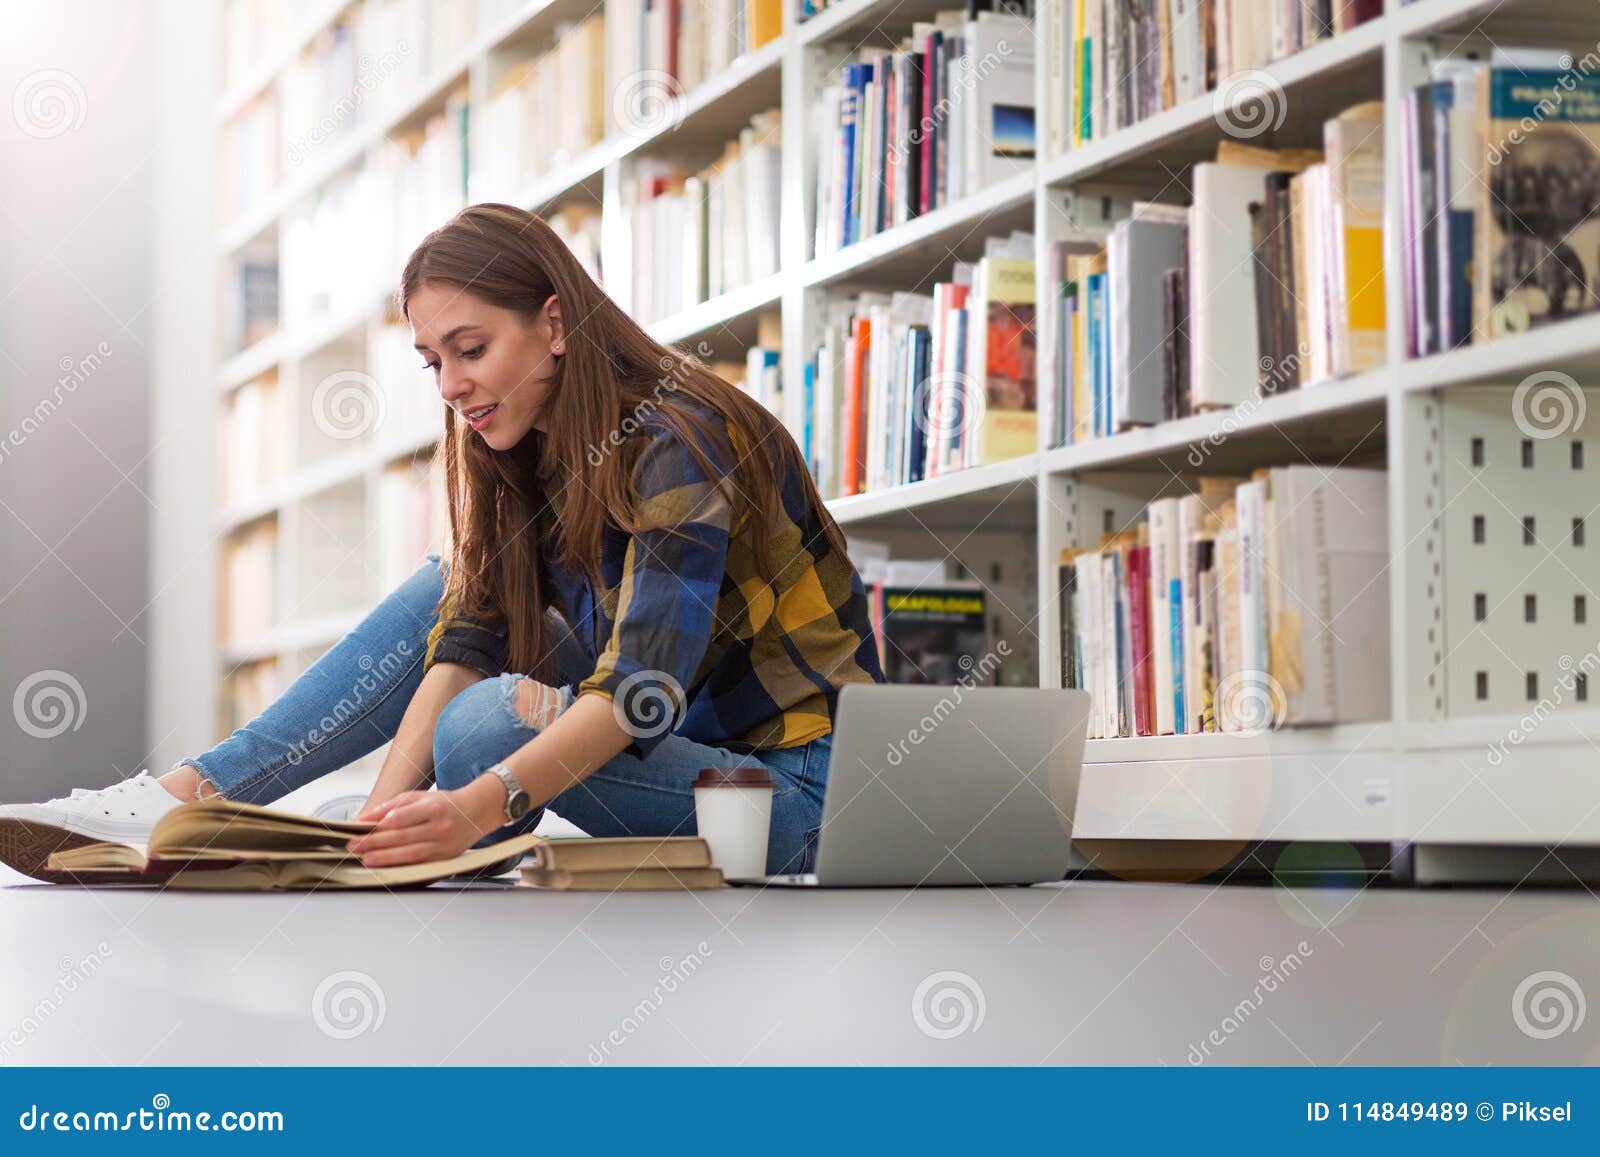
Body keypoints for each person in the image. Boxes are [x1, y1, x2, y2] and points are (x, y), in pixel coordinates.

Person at [0, 203, 886, 883]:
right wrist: (373, 828)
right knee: (451, 596)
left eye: (471, 348)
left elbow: (638, 695)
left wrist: (472, 806)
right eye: (434, 361)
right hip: (689, 758)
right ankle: (192, 798)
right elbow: (464, 634)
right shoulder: (521, 443)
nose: (453, 385)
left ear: (554, 323)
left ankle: (411, 822)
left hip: (794, 792)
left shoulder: (677, 438)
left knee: (488, 726)